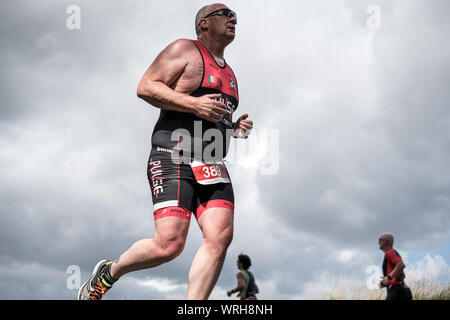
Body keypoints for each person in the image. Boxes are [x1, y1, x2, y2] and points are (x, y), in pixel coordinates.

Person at [78, 3, 253, 300]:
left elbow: (213, 116)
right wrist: (195, 104)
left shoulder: (231, 75)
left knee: (220, 236)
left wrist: (234, 127)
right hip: (173, 154)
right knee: (169, 245)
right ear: (204, 24)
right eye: (225, 14)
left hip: (212, 161)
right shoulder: (185, 49)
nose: (233, 18)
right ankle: (109, 273)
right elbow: (146, 87)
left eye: (234, 15)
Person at [378, 233, 413, 300]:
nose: (378, 242)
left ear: (386, 241)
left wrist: (388, 277)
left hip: (396, 291)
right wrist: (385, 282)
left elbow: (401, 265)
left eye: (380, 240)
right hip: (403, 289)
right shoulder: (393, 253)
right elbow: (399, 272)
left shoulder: (389, 252)